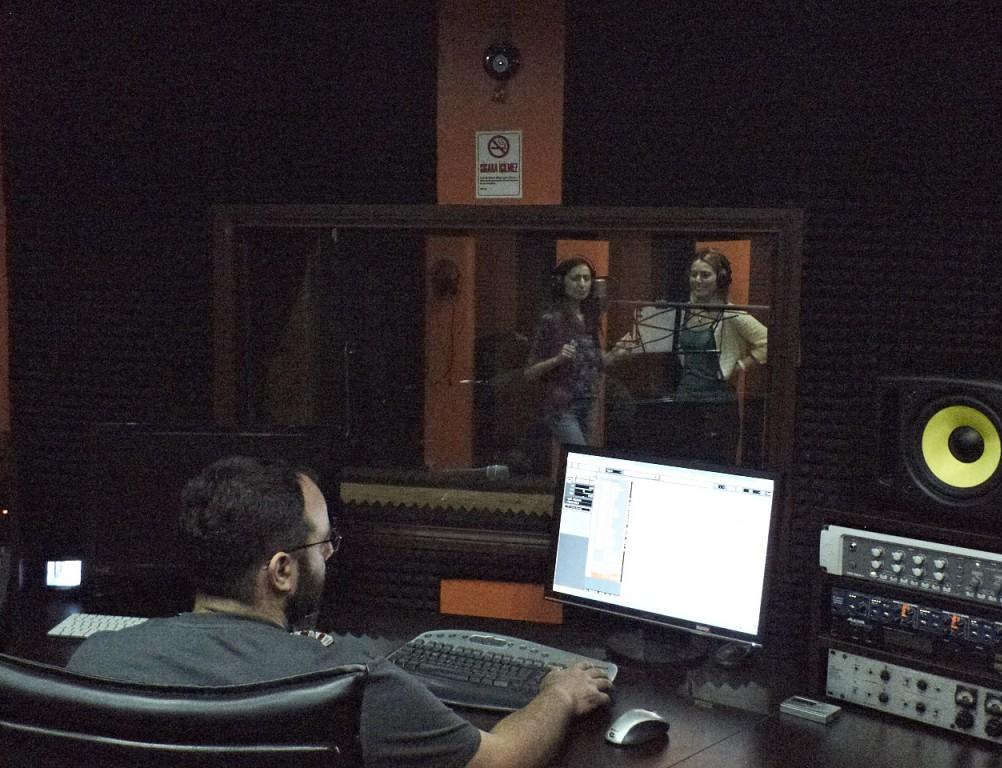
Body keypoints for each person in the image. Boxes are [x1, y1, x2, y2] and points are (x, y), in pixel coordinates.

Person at [66, 456, 612, 768]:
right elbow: (501, 761)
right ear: (281, 571)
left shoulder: (96, 663)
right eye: (323, 543)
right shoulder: (347, 684)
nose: (329, 554)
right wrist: (558, 694)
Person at [669, 248, 768, 463]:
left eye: (705, 275)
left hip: (716, 407)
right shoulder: (684, 310)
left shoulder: (731, 315)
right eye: (694, 274)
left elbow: (769, 342)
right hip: (684, 401)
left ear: (720, 279)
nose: (697, 280)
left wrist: (741, 365)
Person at [524, 257, 624, 446]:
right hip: (561, 406)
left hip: (588, 403)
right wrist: (557, 359)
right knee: (578, 452)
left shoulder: (590, 318)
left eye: (586, 279)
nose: (582, 284)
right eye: (576, 278)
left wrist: (618, 353)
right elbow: (529, 372)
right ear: (562, 282)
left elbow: (595, 364)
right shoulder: (552, 320)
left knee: (581, 463)